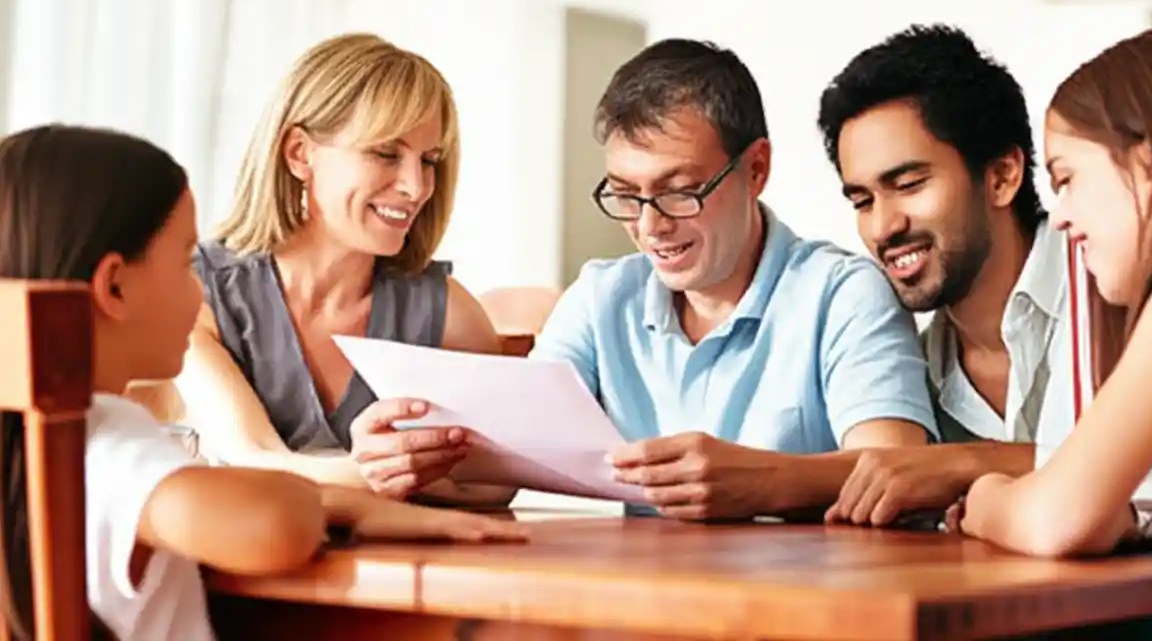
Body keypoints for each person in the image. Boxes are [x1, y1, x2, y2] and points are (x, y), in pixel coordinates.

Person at [0, 125, 527, 641]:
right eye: (186, 261)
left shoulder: (45, 437)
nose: (201, 283)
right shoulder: (110, 439)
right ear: (114, 286)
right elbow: (271, 529)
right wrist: (343, 503)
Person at [529, 39, 938, 521]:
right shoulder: (601, 299)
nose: (650, 226)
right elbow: (515, 444)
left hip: (799, 592)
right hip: (641, 589)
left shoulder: (842, 295)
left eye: (679, 192)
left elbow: (897, 475)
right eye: (625, 195)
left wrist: (762, 482)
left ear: (756, 169)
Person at [818, 24, 1152, 528]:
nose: (883, 226)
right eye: (863, 201)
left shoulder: (1120, 283)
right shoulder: (902, 370)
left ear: (1002, 177)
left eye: (910, 185)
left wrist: (969, 465)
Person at [954, 27, 1152, 614]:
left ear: (1147, 160)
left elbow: (1056, 521)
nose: (1060, 219)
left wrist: (986, 497)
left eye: (1066, 179)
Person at [175, 33, 511, 505]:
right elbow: (250, 457)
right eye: (385, 153)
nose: (416, 187)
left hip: (401, 575)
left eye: (429, 160)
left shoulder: (450, 314)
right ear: (299, 153)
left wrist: (413, 470)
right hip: (241, 569)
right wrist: (385, 473)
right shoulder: (194, 292)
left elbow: (491, 489)